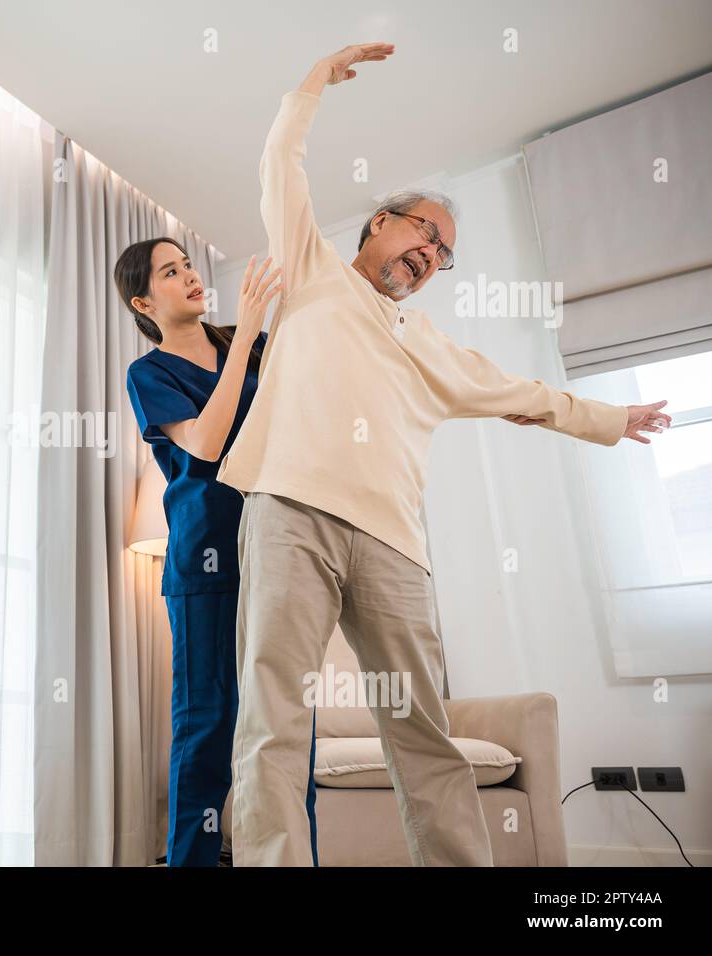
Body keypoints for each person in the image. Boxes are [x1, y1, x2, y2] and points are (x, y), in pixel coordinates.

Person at [218, 42, 672, 867]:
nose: (431, 256)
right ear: (380, 223)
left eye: (444, 254)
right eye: (425, 232)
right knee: (273, 716)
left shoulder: (432, 346)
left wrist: (612, 416)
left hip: (394, 546)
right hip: (288, 511)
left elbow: (527, 396)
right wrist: (315, 80)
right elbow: (280, 156)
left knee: (424, 730)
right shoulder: (314, 268)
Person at [120, 237, 318, 867]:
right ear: (144, 300)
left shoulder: (250, 343)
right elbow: (205, 445)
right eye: (170, 271)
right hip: (206, 561)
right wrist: (247, 339)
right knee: (207, 728)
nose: (191, 277)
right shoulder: (149, 372)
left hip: (280, 552)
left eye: (189, 265)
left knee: (288, 730)